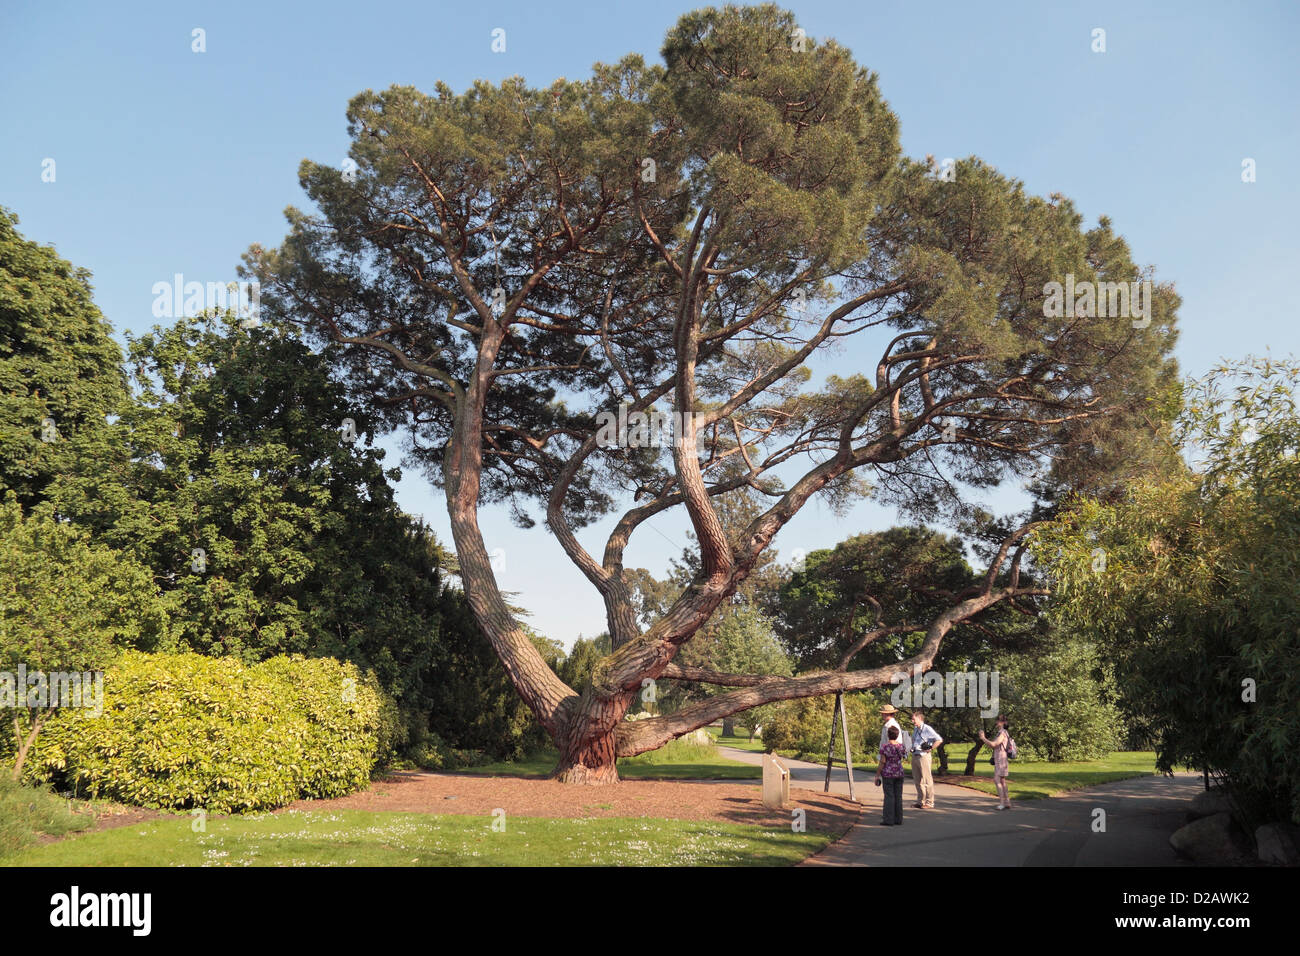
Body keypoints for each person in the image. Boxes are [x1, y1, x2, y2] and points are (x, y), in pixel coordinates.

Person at [908, 708, 943, 809]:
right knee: (917, 780)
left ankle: (929, 802)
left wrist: (930, 748)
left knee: (927, 780)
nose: (912, 721)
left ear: (920, 719)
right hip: (915, 755)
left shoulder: (927, 729)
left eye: (914, 719)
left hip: (923, 756)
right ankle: (920, 801)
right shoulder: (916, 729)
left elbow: (939, 740)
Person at [979, 715, 1012, 810]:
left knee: (997, 780)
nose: (996, 722)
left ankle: (1002, 803)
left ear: (1003, 722)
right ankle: (1007, 802)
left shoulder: (1003, 733)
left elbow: (994, 744)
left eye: (998, 720)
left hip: (1001, 758)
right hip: (1000, 758)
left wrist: (983, 738)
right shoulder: (1001, 733)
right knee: (1002, 780)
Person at [876, 725, 906, 825]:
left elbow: (882, 762)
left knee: (889, 796)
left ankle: (888, 819)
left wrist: (877, 774)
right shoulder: (901, 746)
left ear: (888, 735)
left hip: (888, 773)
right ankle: (898, 819)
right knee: (898, 796)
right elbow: (902, 756)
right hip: (899, 772)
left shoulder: (885, 747)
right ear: (897, 735)